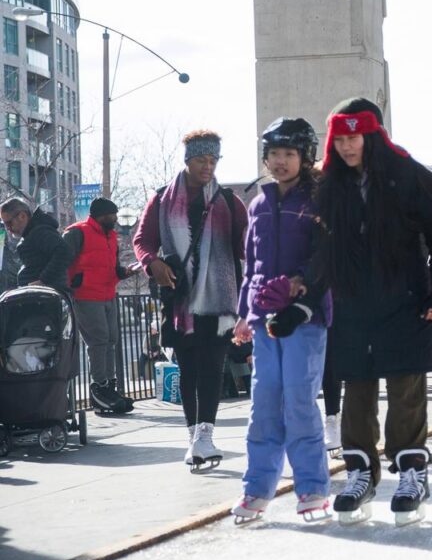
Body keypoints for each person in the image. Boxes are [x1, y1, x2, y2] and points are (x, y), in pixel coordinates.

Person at [308, 98, 432, 526]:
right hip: (352, 304)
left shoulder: (407, 175)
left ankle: (411, 472)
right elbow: (317, 248)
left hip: (405, 299)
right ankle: (359, 472)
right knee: (357, 389)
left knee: (406, 387)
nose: (346, 147)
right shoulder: (327, 184)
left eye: (354, 138)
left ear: (372, 136)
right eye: (339, 139)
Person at [230, 118, 334, 525]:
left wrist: (299, 283)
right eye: (274, 153)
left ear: (305, 157)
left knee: (299, 402)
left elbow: (326, 256)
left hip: (304, 318)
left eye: (289, 153)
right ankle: (257, 489)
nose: (281, 161)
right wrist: (245, 313)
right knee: (263, 404)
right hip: (263, 321)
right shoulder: (258, 204)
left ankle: (312, 488)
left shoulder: (319, 201)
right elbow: (251, 266)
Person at [133, 130, 249, 472]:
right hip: (179, 298)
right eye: (201, 160)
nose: (208, 167)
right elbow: (142, 240)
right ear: (187, 161)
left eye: (213, 160)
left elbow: (245, 246)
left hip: (219, 297)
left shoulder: (229, 201)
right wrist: (152, 263)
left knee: (212, 367)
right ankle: (192, 438)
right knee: (188, 369)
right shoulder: (161, 199)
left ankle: (205, 437)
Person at [62, 198, 135, 414]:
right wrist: (70, 285)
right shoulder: (77, 232)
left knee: (111, 340)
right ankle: (100, 388)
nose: (115, 218)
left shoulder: (111, 236)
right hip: (86, 295)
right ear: (101, 215)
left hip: (108, 294)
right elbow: (61, 261)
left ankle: (109, 388)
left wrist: (123, 272)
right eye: (112, 215)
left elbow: (112, 267)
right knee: (99, 340)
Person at [1, 197, 72, 294]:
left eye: (9, 223)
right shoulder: (32, 233)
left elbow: (64, 252)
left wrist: (43, 281)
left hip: (45, 296)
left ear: (22, 216)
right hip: (39, 293)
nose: (8, 228)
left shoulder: (40, 231)